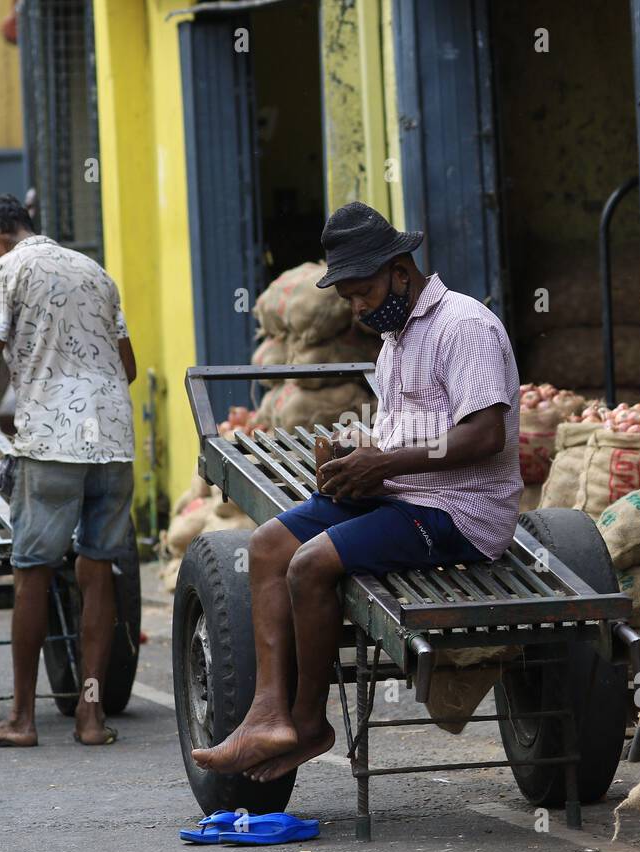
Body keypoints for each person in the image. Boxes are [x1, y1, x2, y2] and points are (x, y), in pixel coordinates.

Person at [191, 201, 522, 782]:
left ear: (400, 269)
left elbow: (485, 435)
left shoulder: (463, 325)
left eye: (363, 290)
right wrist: (356, 455)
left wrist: (385, 462)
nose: (358, 306)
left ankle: (310, 721)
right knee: (269, 546)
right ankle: (268, 712)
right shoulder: (394, 341)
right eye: (347, 297)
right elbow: (411, 434)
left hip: (458, 513)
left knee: (311, 564)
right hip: (402, 494)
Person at [0, 194, 137, 748]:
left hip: (51, 443)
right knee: (98, 574)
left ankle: (21, 718)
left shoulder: (2, 271)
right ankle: (90, 718)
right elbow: (127, 366)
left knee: (32, 574)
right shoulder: (96, 270)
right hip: (113, 440)